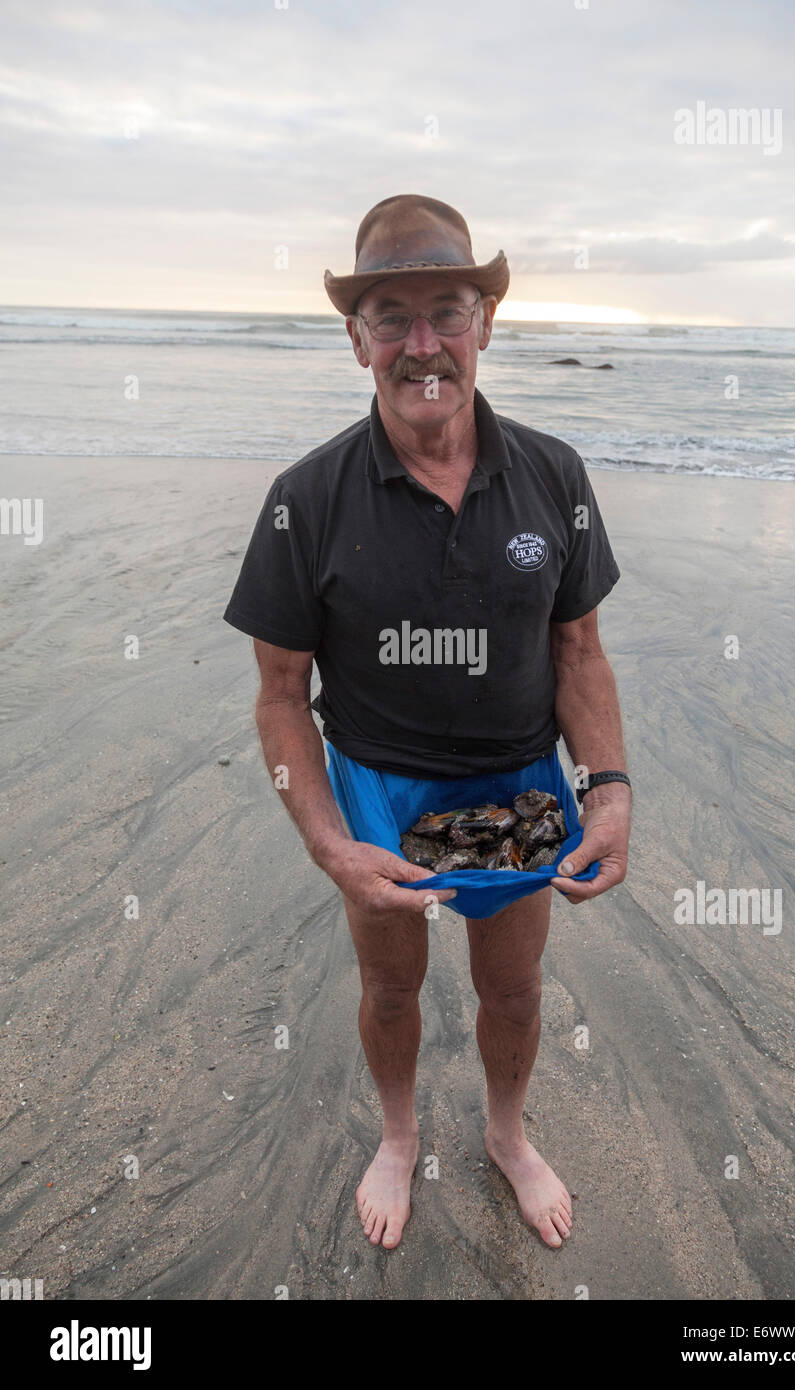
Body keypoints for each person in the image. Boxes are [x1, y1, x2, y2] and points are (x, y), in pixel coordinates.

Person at [223, 194, 632, 1251]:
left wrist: (610, 791)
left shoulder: (552, 475)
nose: (421, 345)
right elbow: (279, 696)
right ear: (354, 337)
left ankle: (504, 1132)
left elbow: (578, 652)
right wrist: (325, 842)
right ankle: (398, 1137)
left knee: (511, 984)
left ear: (484, 323)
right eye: (389, 317)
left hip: (516, 778)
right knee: (389, 982)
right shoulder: (302, 499)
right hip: (374, 783)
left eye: (446, 311)